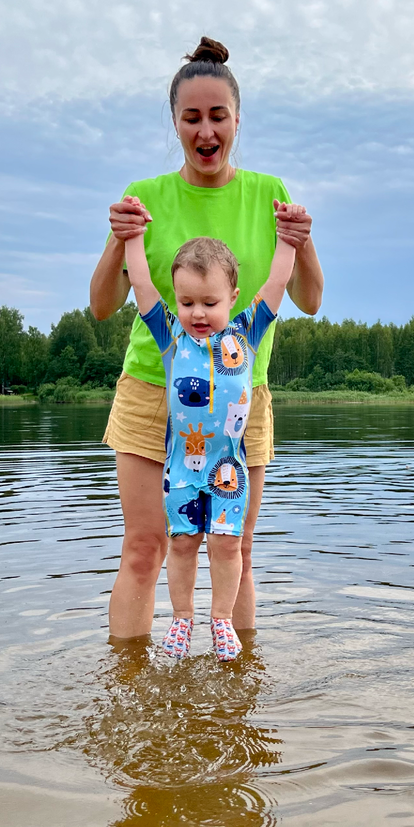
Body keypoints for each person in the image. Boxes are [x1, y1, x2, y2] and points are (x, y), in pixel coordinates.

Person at [89, 37, 324, 640]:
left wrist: (302, 238)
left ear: (236, 120)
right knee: (147, 545)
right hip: (151, 389)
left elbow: (310, 300)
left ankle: (234, 700)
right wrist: (118, 239)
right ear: (175, 123)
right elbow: (102, 305)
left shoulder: (269, 193)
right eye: (191, 117)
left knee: (234, 544)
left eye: (217, 115)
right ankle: (131, 693)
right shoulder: (146, 197)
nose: (205, 129)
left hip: (242, 399)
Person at [121, 205, 302, 659]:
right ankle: (182, 619)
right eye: (186, 303)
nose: (197, 313)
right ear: (176, 300)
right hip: (181, 468)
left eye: (209, 302)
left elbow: (278, 283)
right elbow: (141, 286)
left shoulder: (246, 333)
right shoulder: (171, 339)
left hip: (229, 469)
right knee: (181, 544)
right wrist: (132, 239)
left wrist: (287, 239)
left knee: (228, 546)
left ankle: (221, 619)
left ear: (233, 297)